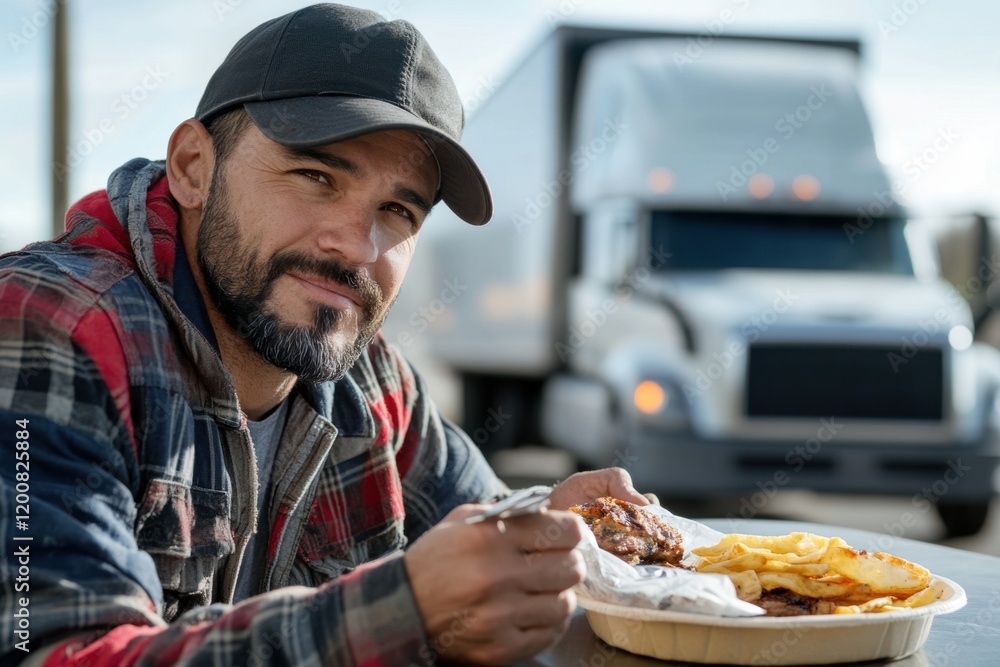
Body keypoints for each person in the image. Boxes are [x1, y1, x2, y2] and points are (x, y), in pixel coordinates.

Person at [0, 4, 656, 665]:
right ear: (193, 167)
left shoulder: (371, 379)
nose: (356, 246)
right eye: (317, 177)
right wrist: (402, 611)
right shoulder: (51, 325)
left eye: (397, 210)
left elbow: (483, 529)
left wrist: (557, 521)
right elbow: (50, 651)